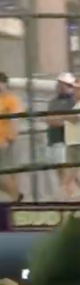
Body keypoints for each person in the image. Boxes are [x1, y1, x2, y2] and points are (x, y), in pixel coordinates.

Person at [46, 73, 79, 199]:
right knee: (58, 170)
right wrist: (57, 120)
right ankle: (66, 195)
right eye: (59, 84)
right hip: (52, 139)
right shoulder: (53, 101)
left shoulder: (74, 102)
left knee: (65, 171)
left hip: (65, 140)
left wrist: (58, 120)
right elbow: (48, 119)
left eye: (62, 85)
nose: (59, 87)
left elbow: (72, 120)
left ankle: (70, 197)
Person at [0, 72, 23, 201]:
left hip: (6, 141)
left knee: (8, 172)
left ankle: (15, 198)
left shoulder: (12, 99)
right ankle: (16, 196)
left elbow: (15, 119)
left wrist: (10, 137)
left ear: (4, 83)